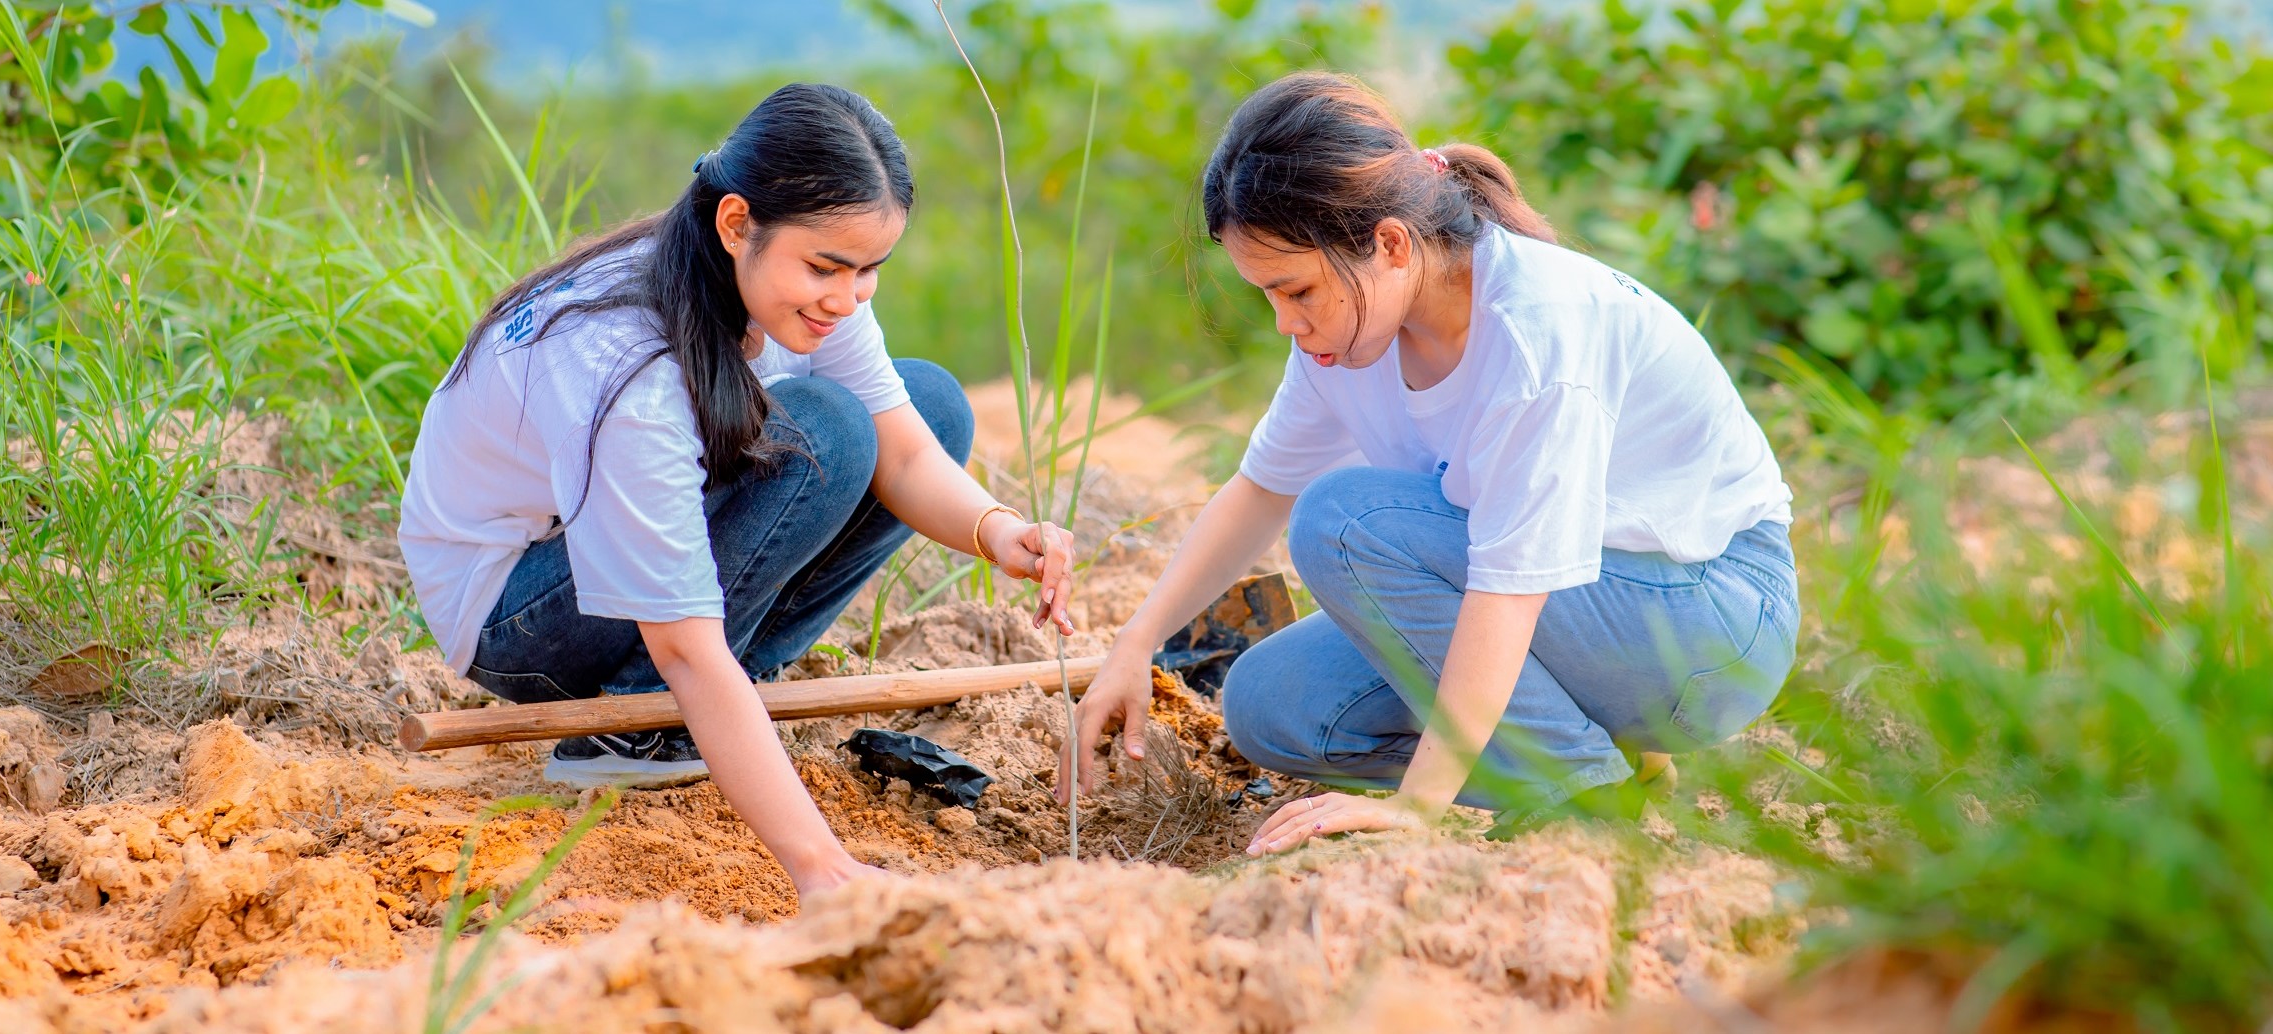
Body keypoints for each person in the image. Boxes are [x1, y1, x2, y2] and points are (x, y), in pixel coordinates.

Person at [1062, 71, 1797, 852]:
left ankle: (1578, 788)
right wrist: (1134, 646)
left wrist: (1417, 807)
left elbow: (1510, 589)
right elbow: (1260, 491)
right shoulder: (1346, 337)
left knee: (1346, 522)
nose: (1286, 323)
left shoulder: (1537, 331)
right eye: (1267, 298)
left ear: (1389, 244)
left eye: (1298, 290)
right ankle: (1599, 765)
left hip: (1709, 627)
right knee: (1274, 704)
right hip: (1579, 614)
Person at [399, 84, 1073, 898]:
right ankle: (639, 727)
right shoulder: (626, 366)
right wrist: (824, 872)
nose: (847, 296)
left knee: (925, 400)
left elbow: (905, 453)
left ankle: (726, 696)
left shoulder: (808, 281)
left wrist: (999, 532)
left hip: (596, 568)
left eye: (869, 272)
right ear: (735, 223)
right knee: (826, 430)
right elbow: (683, 643)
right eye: (826, 268)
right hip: (517, 612)